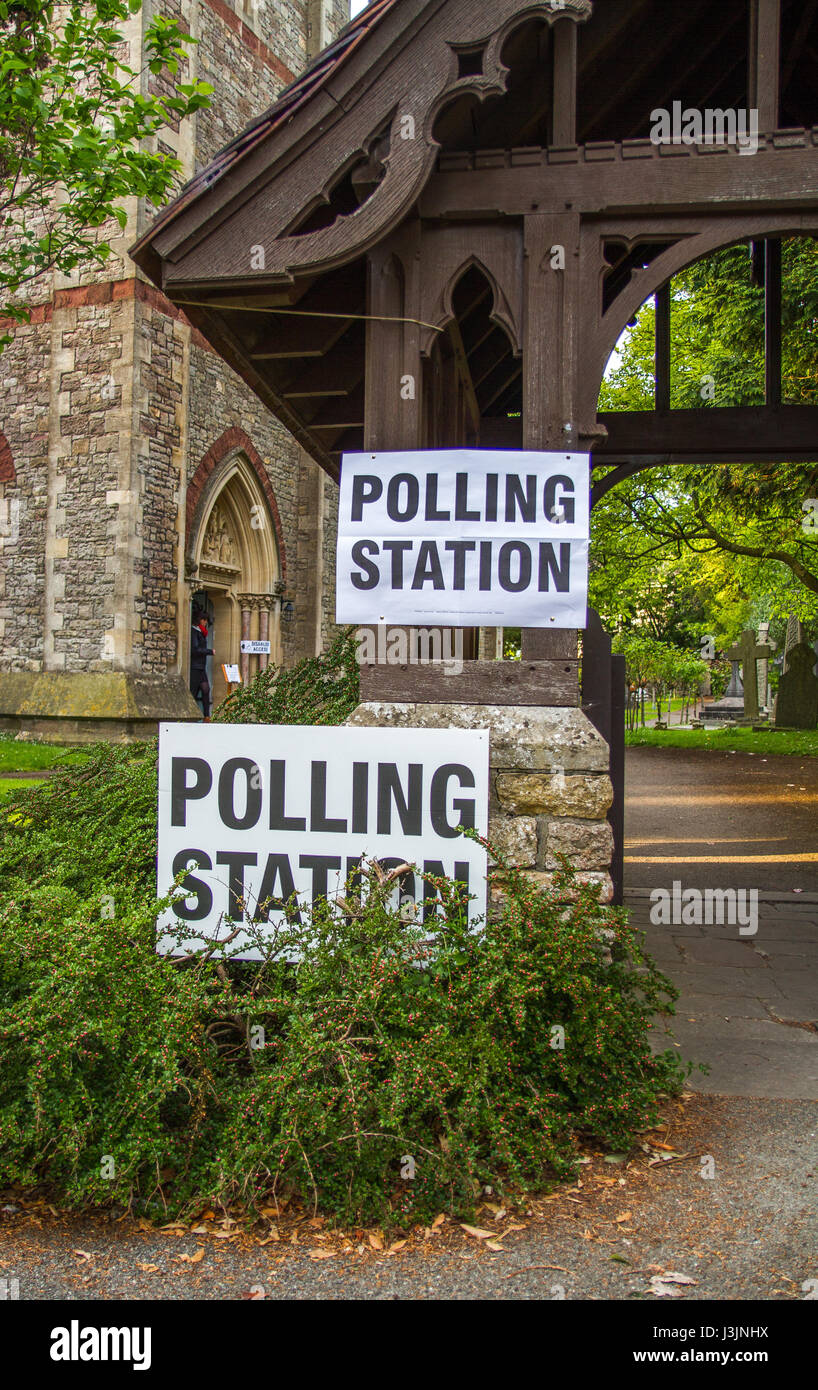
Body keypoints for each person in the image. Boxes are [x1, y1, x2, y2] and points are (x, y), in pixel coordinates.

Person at [190, 607, 214, 720]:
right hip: (194, 667)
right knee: (193, 692)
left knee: (206, 689)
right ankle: (191, 716)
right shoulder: (194, 632)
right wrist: (209, 651)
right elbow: (194, 649)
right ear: (200, 620)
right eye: (204, 620)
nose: (205, 623)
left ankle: (206, 716)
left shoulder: (201, 633)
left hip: (201, 667)